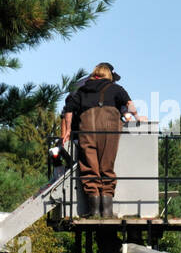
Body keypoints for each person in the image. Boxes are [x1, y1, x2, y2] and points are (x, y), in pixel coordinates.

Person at [60, 63, 142, 218]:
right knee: (107, 166)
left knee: (90, 168)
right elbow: (129, 105)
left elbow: (68, 110)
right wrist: (138, 118)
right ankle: (107, 211)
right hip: (109, 130)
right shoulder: (115, 88)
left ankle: (94, 211)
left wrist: (69, 130)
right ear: (108, 75)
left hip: (87, 130)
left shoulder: (82, 90)